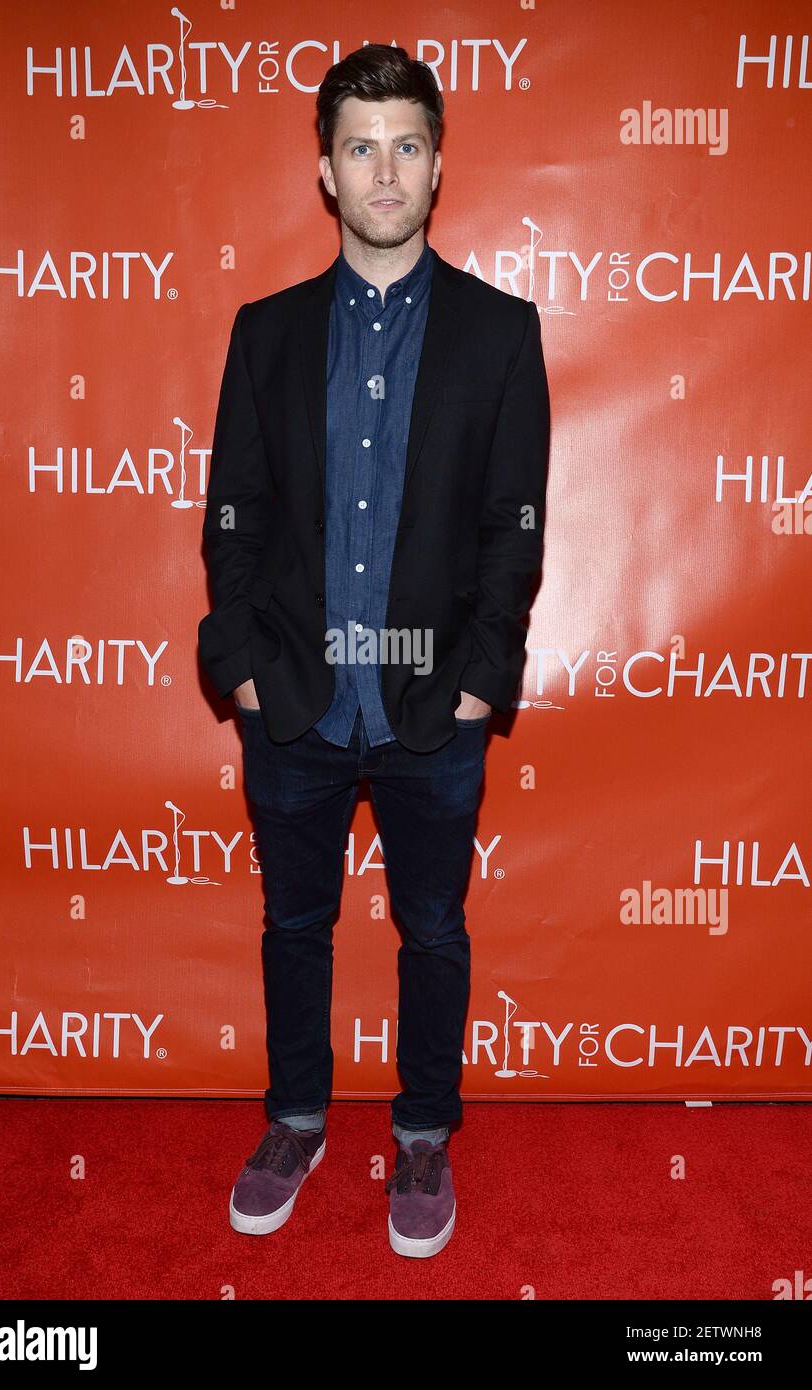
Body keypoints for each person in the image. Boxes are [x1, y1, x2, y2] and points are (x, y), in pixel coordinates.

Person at [198, 42, 550, 1259]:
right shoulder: (267, 333)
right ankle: (295, 1116)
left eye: (405, 143)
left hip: (427, 707)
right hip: (291, 699)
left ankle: (421, 1133)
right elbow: (229, 514)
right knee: (293, 924)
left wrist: (473, 679)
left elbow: (515, 527)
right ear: (325, 173)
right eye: (360, 145)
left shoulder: (501, 334)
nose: (383, 167)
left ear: (437, 165)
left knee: (433, 932)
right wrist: (237, 662)